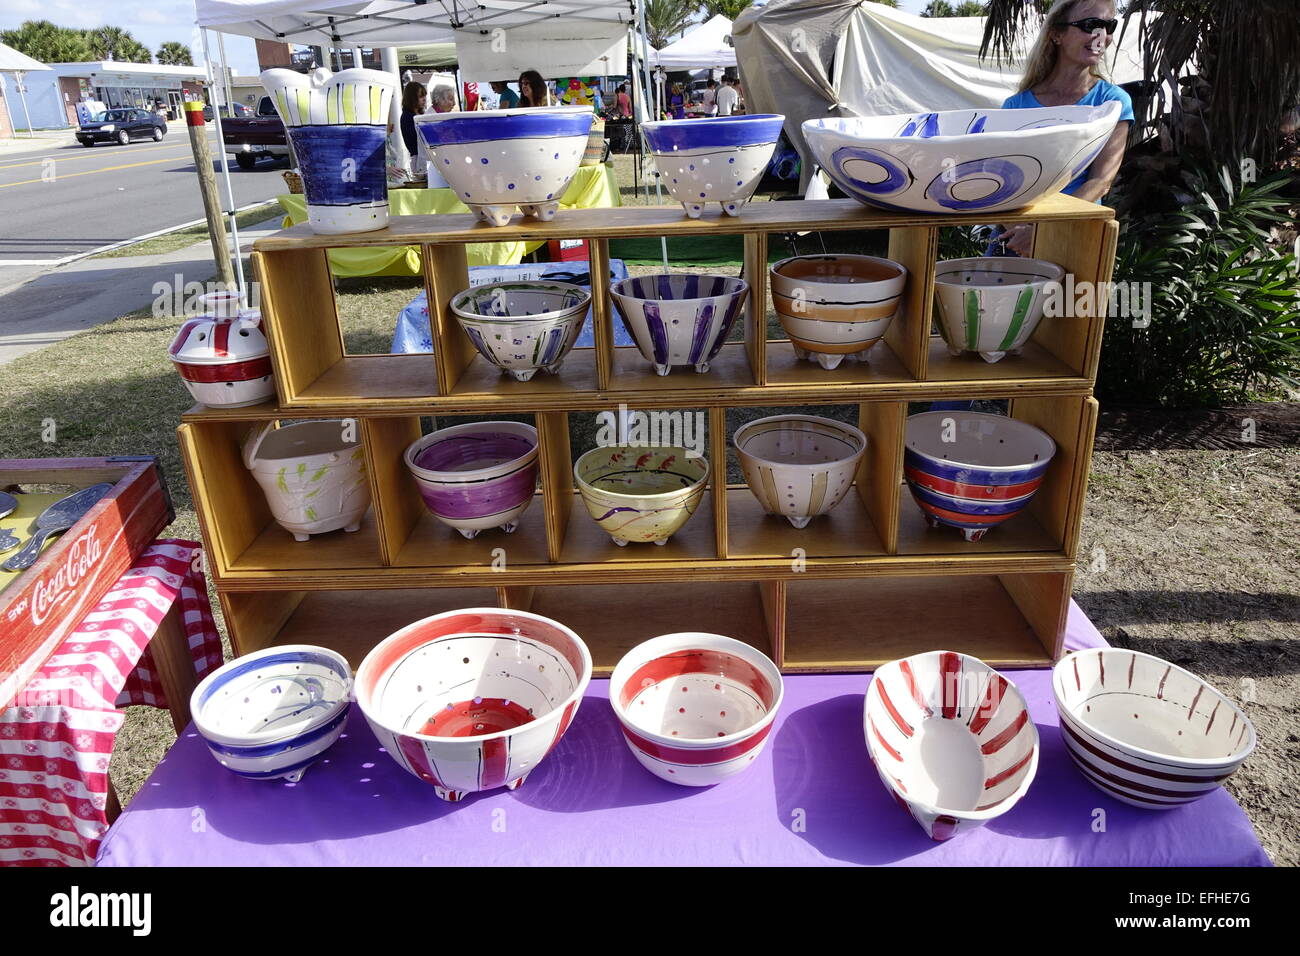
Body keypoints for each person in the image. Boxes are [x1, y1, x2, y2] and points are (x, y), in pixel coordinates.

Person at [994, 0, 1134, 255]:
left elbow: (1101, 181)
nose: (1101, 35)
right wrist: (1020, 232)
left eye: (1108, 25)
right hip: (1014, 237)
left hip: (1075, 236)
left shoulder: (1113, 102)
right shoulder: (1015, 105)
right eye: (1091, 25)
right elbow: (1001, 181)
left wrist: (1041, 232)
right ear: (1056, 34)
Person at [399, 81, 428, 176]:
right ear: (412, 98)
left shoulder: (420, 115)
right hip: (418, 157)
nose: (424, 99)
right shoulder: (407, 117)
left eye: (424, 96)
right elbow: (417, 139)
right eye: (421, 96)